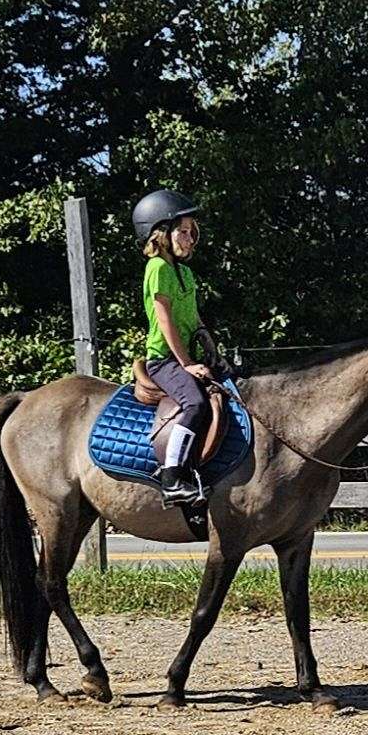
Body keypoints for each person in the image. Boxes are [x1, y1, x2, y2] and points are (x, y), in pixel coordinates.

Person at [132, 189, 213, 507]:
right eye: (184, 231)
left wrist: (208, 342)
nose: (191, 238)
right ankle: (172, 479)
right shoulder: (157, 269)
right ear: (161, 233)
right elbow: (165, 323)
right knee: (194, 404)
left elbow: (192, 317)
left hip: (186, 355)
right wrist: (187, 364)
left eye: (193, 232)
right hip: (164, 361)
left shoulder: (185, 271)